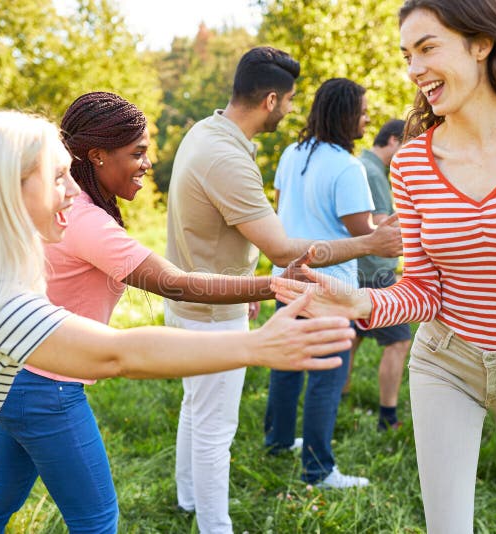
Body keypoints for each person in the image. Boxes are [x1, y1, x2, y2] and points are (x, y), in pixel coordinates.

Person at [0, 109, 356, 532]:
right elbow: (120, 353)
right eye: (57, 176)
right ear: (6, 188)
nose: (73, 192)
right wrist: (257, 347)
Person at [271, 0, 496, 531]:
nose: (413, 69)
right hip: (445, 360)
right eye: (406, 55)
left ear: (480, 44)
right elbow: (422, 288)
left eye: (426, 48)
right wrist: (361, 300)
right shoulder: (414, 163)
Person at [0, 92, 300, 533]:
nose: (147, 163)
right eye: (137, 153)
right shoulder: (85, 221)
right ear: (98, 156)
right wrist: (273, 283)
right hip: (49, 392)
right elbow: (176, 283)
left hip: (15, 380)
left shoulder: (64, 209)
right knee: (97, 520)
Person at [165, 48, 401, 533]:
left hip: (201, 299)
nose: (294, 109)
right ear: (271, 99)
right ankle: (215, 526)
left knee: (197, 409)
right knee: (216, 428)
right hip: (211, 312)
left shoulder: (206, 133)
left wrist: (247, 278)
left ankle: (188, 499)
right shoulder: (225, 156)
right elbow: (281, 245)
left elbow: (229, 227)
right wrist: (370, 242)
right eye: (290, 100)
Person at [264, 78, 379, 489]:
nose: (367, 117)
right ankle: (318, 470)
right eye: (363, 110)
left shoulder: (292, 153)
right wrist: (390, 223)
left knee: (287, 365)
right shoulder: (348, 167)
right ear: (346, 113)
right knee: (327, 375)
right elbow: (362, 232)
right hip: (329, 290)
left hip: (288, 278)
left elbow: (280, 210)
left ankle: (276, 442)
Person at [343, 118, 412, 432]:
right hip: (376, 273)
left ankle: (340, 403)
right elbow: (384, 229)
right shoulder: (374, 173)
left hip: (356, 269)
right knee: (398, 343)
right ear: (395, 141)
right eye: (411, 145)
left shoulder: (360, 166)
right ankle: (387, 418)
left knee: (351, 337)